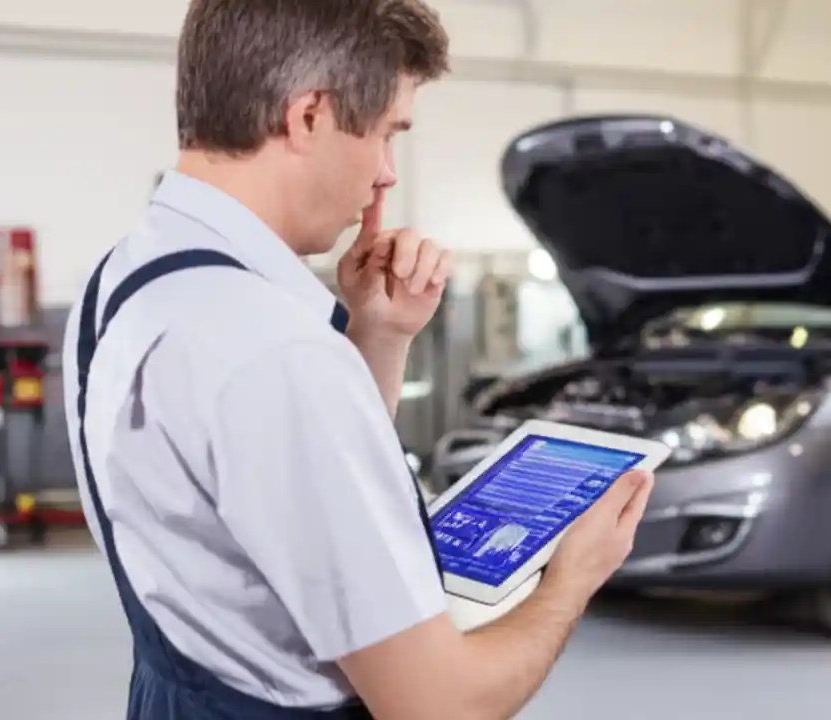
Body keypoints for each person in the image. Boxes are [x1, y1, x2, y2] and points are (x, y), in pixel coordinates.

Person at [61, 1, 656, 718]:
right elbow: (440, 705)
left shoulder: (127, 282)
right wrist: (570, 582)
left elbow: (278, 493)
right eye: (385, 134)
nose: (386, 175)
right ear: (308, 116)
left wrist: (379, 336)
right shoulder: (273, 347)